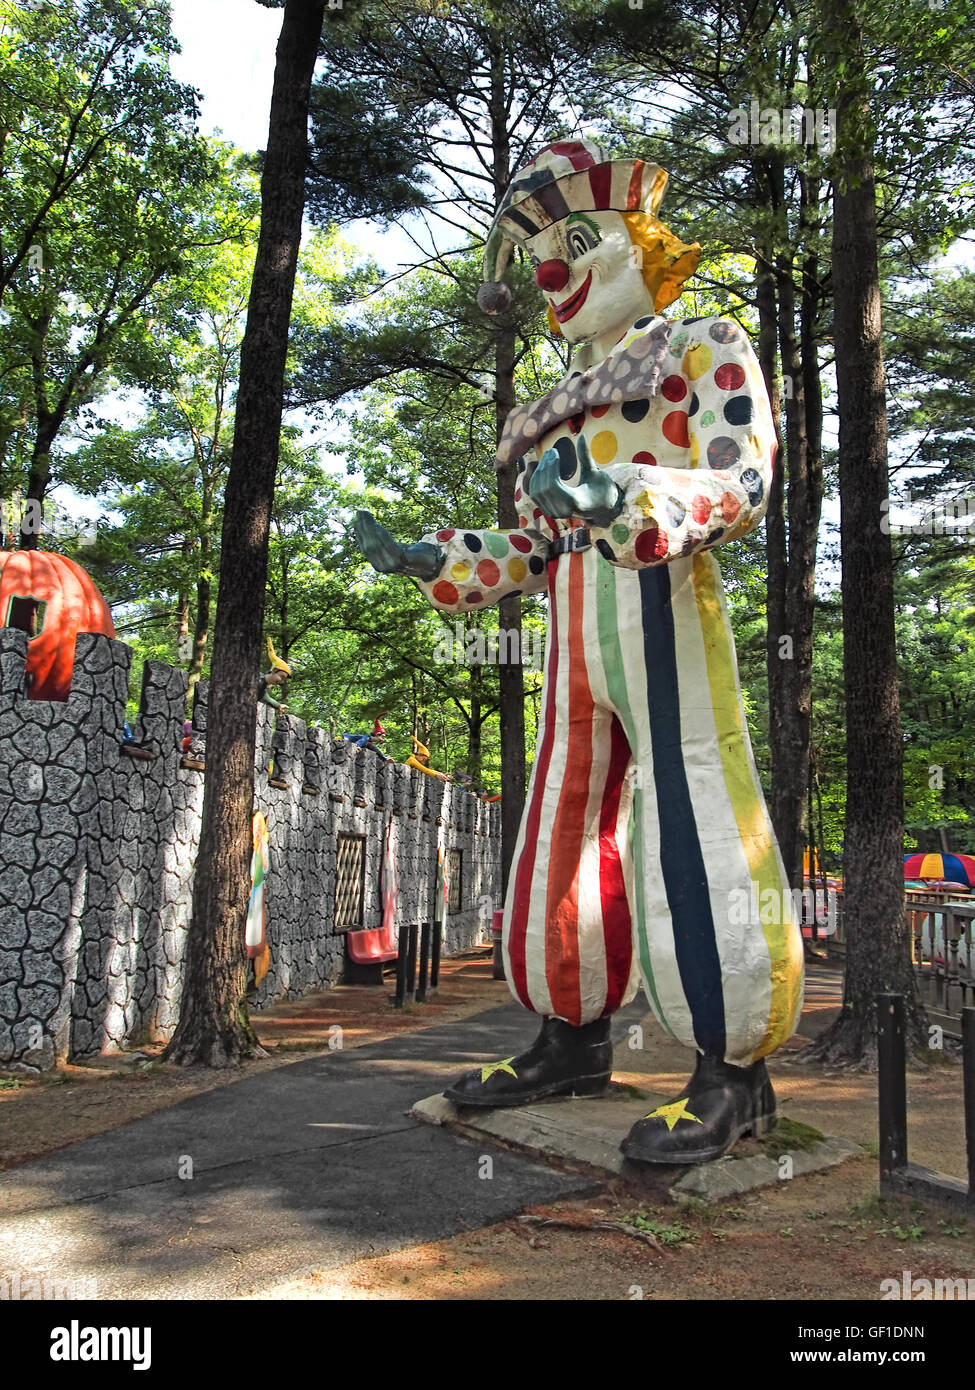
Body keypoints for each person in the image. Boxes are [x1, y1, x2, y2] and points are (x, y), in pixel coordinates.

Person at [354, 140, 804, 1164]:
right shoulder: (548, 414)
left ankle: (732, 1072)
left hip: (671, 617)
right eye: (543, 253)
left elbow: (742, 481)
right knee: (560, 826)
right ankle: (569, 1039)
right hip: (572, 645)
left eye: (577, 242)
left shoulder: (705, 344)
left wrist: (630, 497)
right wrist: (437, 555)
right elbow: (533, 545)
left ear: (643, 248)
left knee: (695, 816)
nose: (553, 272)